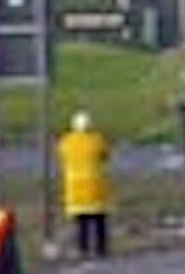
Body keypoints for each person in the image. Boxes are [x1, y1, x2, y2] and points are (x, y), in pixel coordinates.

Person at [57, 111, 112, 259]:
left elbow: (62, 154)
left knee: (82, 222)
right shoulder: (97, 140)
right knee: (99, 219)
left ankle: (83, 248)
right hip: (96, 186)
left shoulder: (66, 141)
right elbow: (105, 155)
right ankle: (101, 249)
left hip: (76, 187)